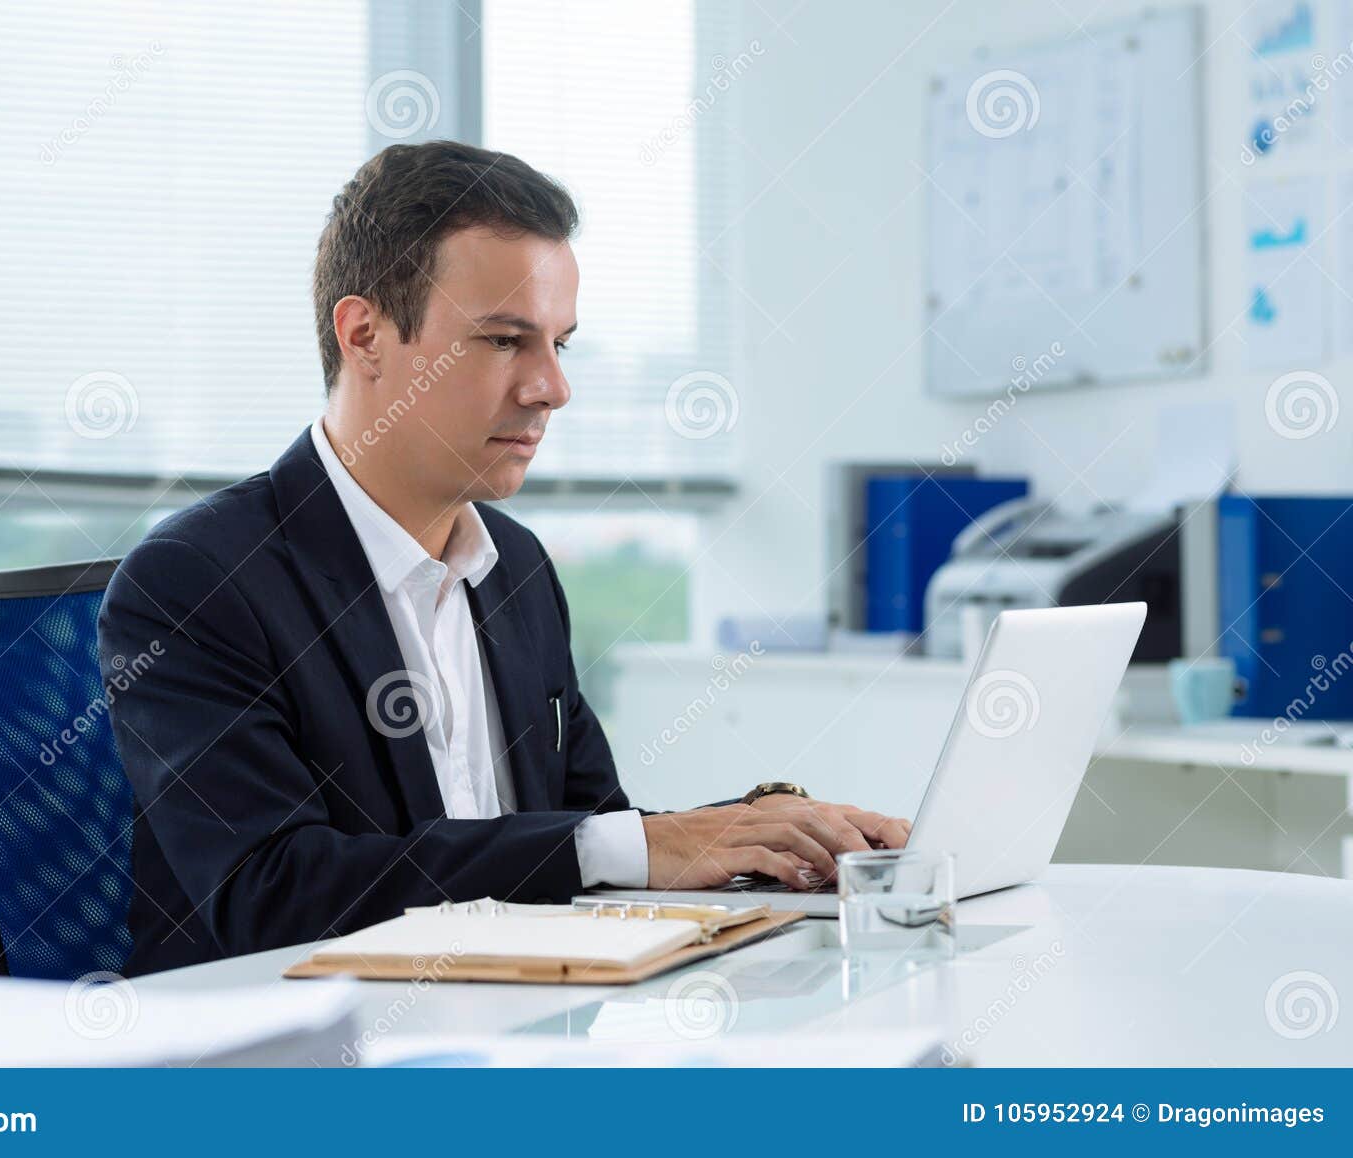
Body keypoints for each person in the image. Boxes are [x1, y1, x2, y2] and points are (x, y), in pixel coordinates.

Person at [99, 140, 910, 975]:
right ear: (367, 335)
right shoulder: (198, 581)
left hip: (513, 1026)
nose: (552, 387)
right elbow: (269, 896)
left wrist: (761, 841)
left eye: (561, 343)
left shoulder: (514, 566)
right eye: (502, 342)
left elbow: (585, 834)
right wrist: (629, 846)